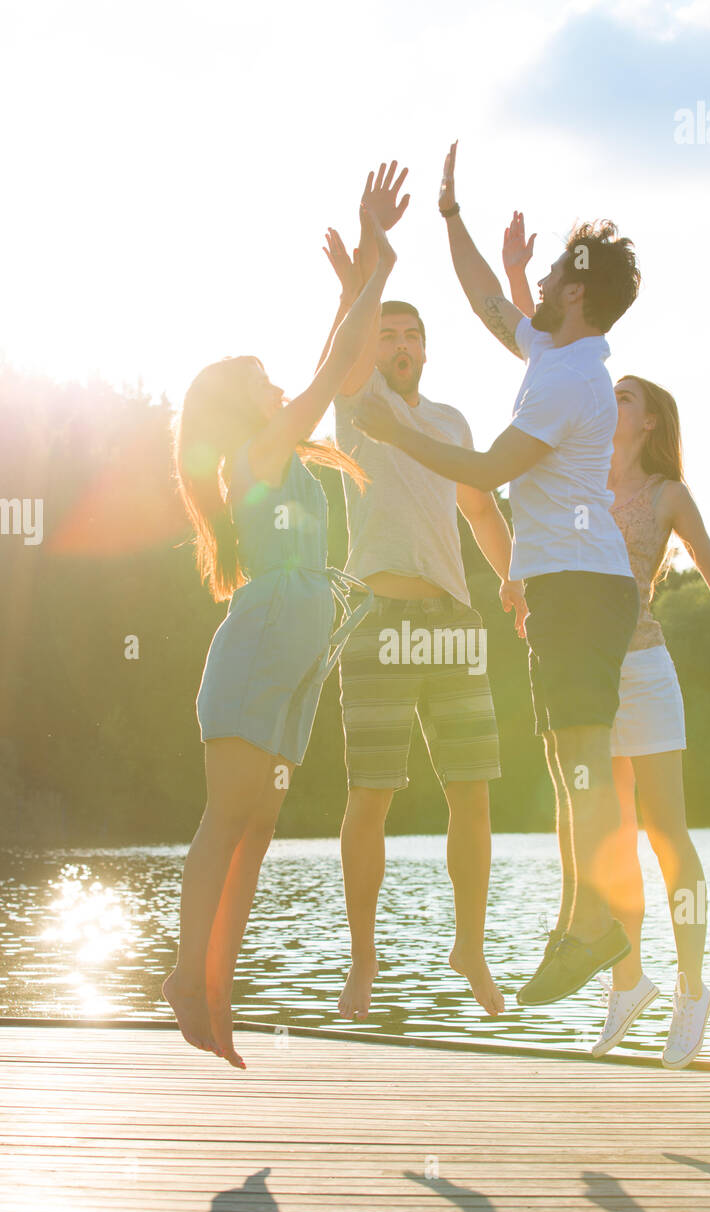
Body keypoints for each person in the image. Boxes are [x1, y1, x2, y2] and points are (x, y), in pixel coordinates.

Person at [354, 142, 642, 1008]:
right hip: (564, 585)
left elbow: (480, 476)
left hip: (583, 587)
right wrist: (452, 218)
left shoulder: (569, 382)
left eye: (554, 271)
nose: (540, 280)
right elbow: (486, 302)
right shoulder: (555, 356)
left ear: (578, 291)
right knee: (567, 758)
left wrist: (397, 432)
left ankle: (599, 923)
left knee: (582, 755)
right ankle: (577, 922)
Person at [502, 214, 710, 1065]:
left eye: (627, 396)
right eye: (612, 392)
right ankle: (628, 981)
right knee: (600, 830)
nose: (611, 396)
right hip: (585, 667)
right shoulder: (578, 458)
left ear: (650, 422)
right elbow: (546, 356)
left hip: (645, 670)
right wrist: (523, 281)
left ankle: (692, 987)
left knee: (667, 835)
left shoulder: (665, 493)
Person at [163, 205, 396, 1069]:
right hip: (263, 642)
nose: (278, 387)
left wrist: (350, 291)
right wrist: (378, 270)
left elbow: (330, 366)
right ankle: (189, 978)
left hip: (297, 655)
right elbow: (333, 370)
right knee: (229, 819)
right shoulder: (254, 456)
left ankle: (216, 992)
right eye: (264, 379)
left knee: (258, 831)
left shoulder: (282, 451)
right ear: (244, 404)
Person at [317, 162, 526, 1022]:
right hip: (377, 619)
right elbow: (345, 348)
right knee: (372, 793)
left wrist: (514, 581)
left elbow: (481, 508)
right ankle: (363, 963)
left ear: (428, 350)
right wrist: (370, 265)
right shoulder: (357, 405)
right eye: (387, 334)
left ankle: (469, 949)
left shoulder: (451, 425)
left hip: (453, 625)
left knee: (471, 791)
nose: (398, 345)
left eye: (412, 336)